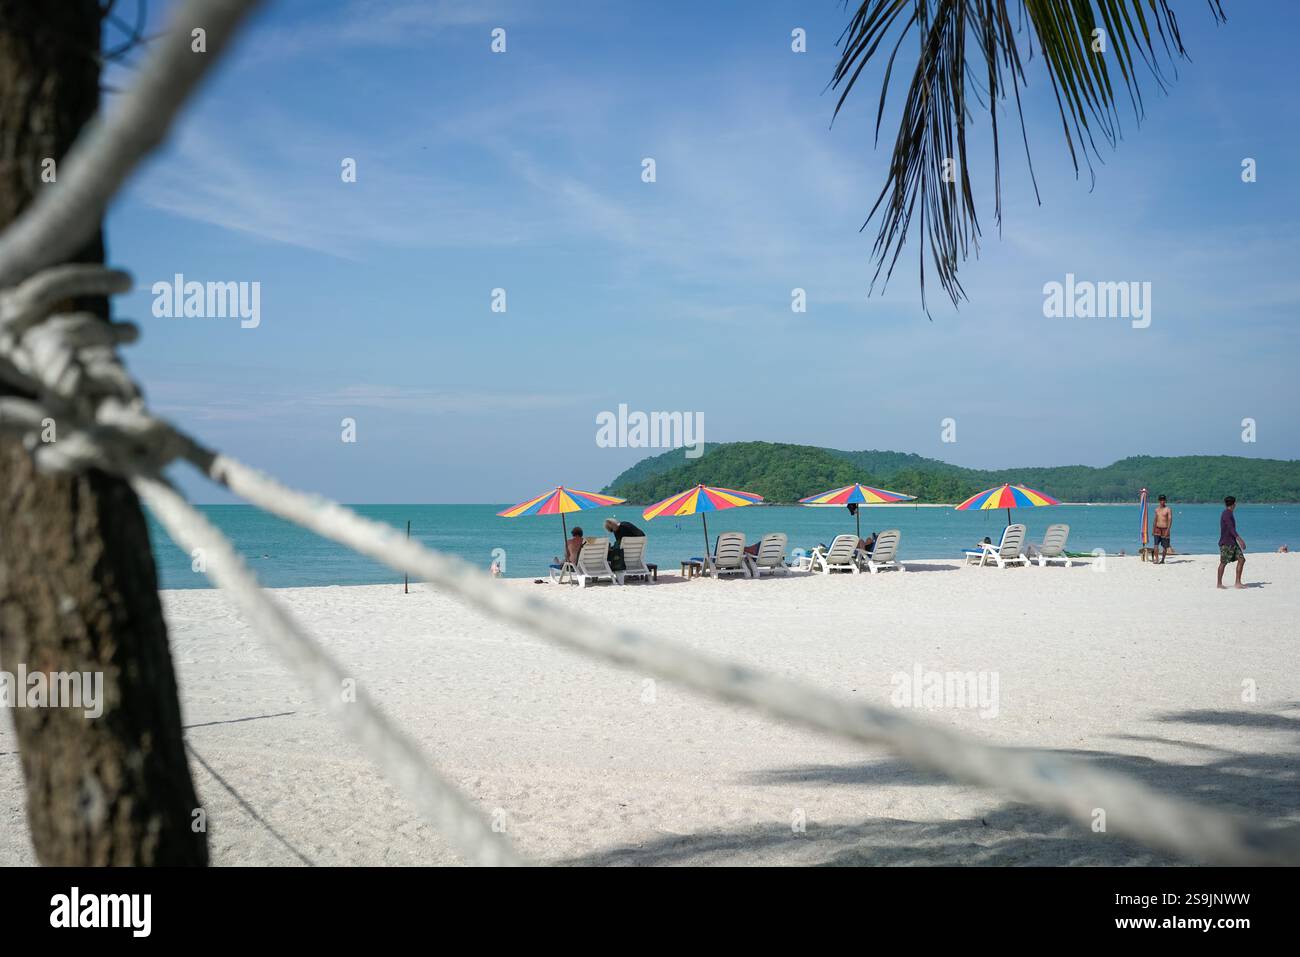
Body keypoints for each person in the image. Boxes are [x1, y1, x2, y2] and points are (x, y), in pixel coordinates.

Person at [1217, 496, 1246, 590]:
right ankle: (1219, 583)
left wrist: (1236, 540)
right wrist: (1239, 539)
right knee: (1223, 562)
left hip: (1233, 542)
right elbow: (1230, 528)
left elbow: (1231, 528)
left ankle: (1238, 582)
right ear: (1234, 504)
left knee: (1241, 559)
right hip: (1226, 543)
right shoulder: (1226, 514)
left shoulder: (1229, 513)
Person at [1151, 494, 1173, 564]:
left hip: (1165, 529)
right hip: (1157, 529)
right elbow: (1155, 520)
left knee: (1164, 547)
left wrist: (1168, 530)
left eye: (1163, 500)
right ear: (1159, 501)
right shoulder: (1156, 509)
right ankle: (1157, 559)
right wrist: (1153, 529)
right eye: (1161, 500)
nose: (1162, 501)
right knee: (1155, 545)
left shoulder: (1168, 509)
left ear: (1165, 501)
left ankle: (1163, 559)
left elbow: (1170, 520)